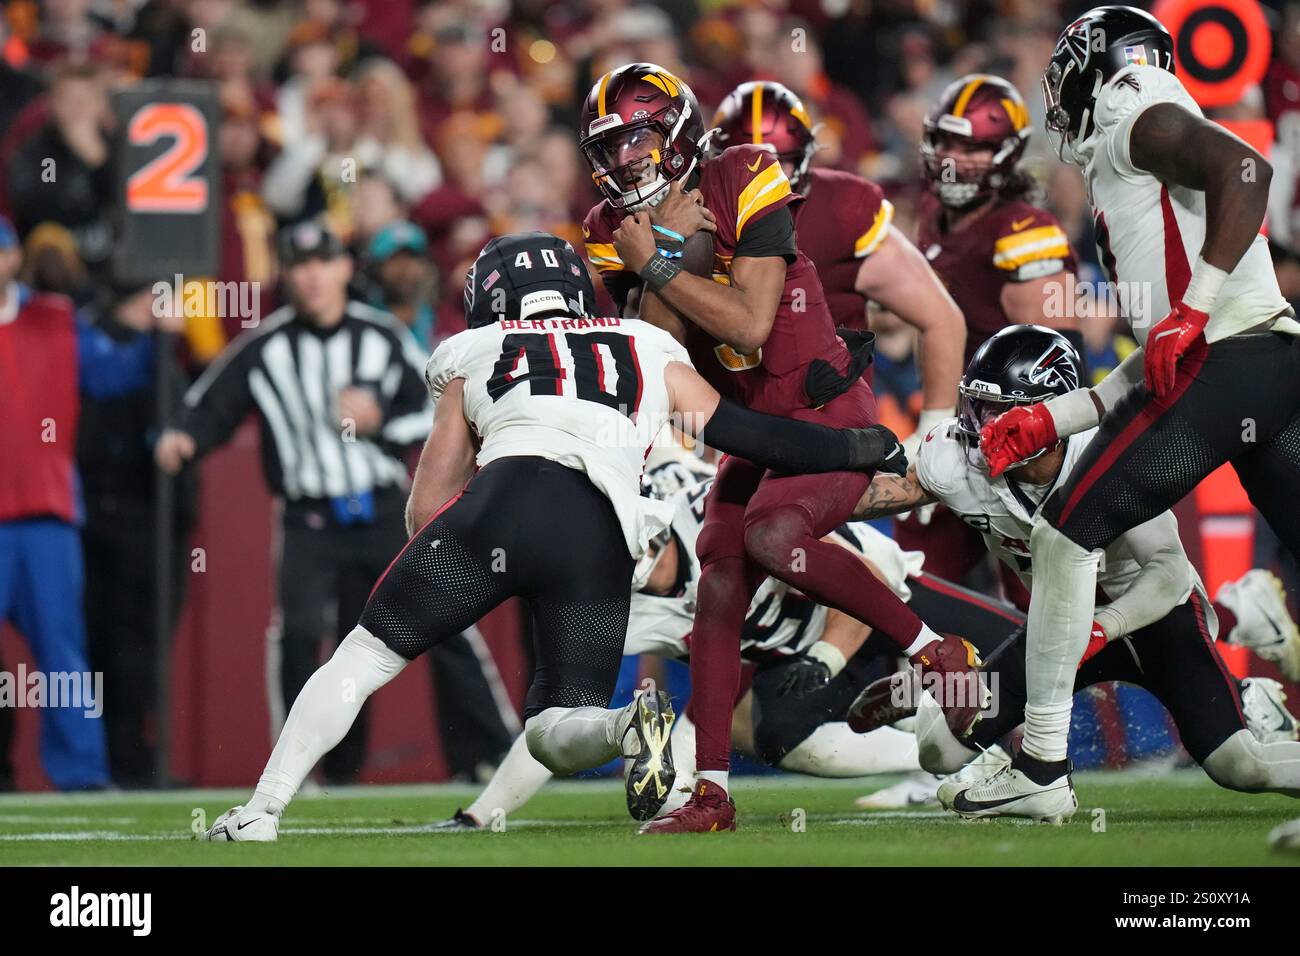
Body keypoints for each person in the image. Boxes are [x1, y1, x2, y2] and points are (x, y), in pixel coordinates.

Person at [203, 230, 909, 841]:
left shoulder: (476, 346)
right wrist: (855, 448)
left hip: (503, 500)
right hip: (601, 534)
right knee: (557, 725)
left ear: (494, 296)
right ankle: (626, 726)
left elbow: (429, 505)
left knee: (365, 655)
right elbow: (747, 434)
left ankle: (263, 812)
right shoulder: (642, 343)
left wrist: (461, 562)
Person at [579, 61, 974, 834]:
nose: (625, 161)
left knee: (769, 534)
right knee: (720, 570)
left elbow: (752, 325)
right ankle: (713, 791)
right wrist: (662, 255)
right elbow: (663, 352)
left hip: (821, 411)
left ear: (678, 134)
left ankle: (934, 650)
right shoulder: (609, 230)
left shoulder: (747, 172)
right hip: (751, 426)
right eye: (612, 147)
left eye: (638, 140)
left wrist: (658, 260)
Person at [973, 6, 1300, 819]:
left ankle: (1041, 767)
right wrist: (1058, 418)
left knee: (1064, 532)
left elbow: (1247, 172)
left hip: (1231, 362)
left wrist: (1194, 305)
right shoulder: (1133, 149)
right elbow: (1164, 354)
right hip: (1263, 366)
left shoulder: (1130, 100)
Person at [855, 324, 1300, 821]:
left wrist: (1101, 628)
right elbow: (890, 492)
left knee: (1241, 767)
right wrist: (798, 508)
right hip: (1059, 622)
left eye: (1000, 413)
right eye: (977, 409)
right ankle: (1026, 766)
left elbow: (1170, 575)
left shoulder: (1112, 452)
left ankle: (1241, 693)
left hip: (1152, 619)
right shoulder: (954, 459)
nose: (982, 430)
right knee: (938, 748)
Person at [155, 222, 433, 783]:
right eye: (300, 265)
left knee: (388, 640)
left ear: (344, 269)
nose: (312, 276)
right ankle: (296, 773)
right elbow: (210, 405)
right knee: (300, 635)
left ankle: (381, 768)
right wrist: (184, 436)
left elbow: (432, 410)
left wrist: (378, 425)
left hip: (381, 509)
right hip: (308, 517)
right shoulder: (265, 345)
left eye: (323, 263)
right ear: (286, 274)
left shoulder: (380, 335)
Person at [709, 80, 965, 442]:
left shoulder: (842, 210)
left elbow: (942, 319)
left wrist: (932, 438)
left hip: (827, 434)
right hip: (721, 431)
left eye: (779, 163)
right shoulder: (694, 213)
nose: (763, 180)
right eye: (746, 166)